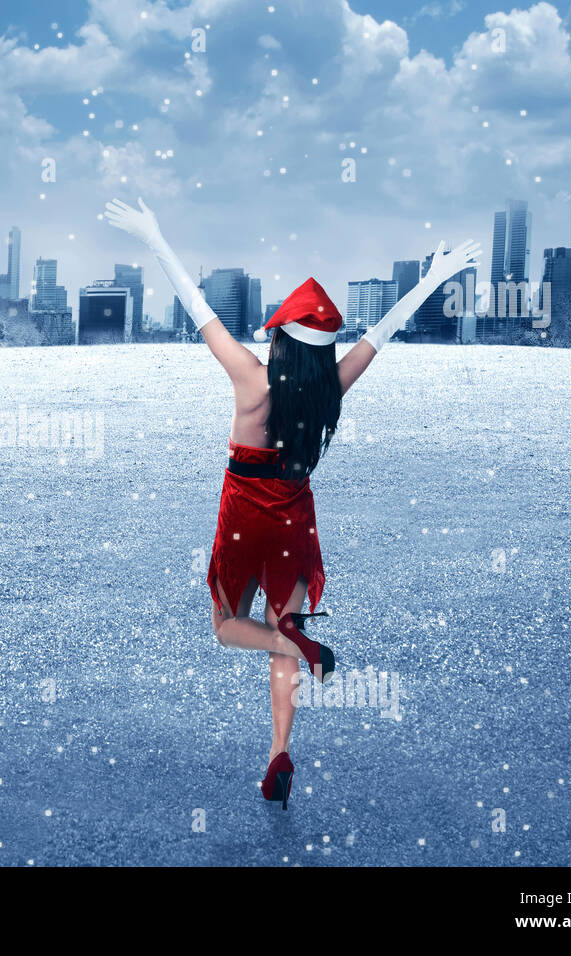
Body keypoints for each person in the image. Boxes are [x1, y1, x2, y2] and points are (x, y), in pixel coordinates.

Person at [104, 197, 480, 809]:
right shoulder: (332, 385)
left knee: (228, 627)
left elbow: (197, 308)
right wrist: (435, 278)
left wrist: (154, 237)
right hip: (293, 519)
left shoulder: (251, 378)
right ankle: (279, 749)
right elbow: (384, 332)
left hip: (242, 517)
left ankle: (290, 648)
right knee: (291, 625)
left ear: (281, 337)